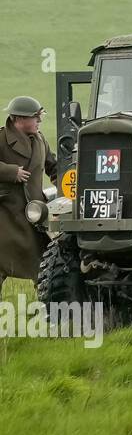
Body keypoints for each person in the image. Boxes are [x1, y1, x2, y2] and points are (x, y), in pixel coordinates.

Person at [0, 96, 58, 294]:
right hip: (6, 214)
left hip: (34, 214)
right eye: (35, 117)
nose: (39, 121)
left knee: (43, 264)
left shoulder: (41, 140)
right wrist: (10, 172)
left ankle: (48, 310)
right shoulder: (1, 138)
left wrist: (70, 183)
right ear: (19, 119)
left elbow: (54, 167)